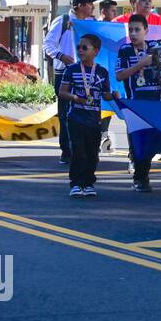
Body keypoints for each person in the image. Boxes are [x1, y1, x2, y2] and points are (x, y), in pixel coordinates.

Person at [115, 13, 161, 192]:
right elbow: (119, 75)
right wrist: (140, 64)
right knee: (138, 141)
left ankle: (142, 172)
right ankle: (140, 178)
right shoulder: (125, 50)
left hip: (155, 103)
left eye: (137, 30)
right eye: (130, 30)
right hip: (136, 104)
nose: (133, 34)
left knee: (150, 142)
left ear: (146, 31)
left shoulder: (157, 48)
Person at [58, 33, 119, 198]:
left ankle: (89, 183)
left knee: (92, 153)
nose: (80, 50)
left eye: (85, 47)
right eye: (79, 47)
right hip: (76, 118)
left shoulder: (101, 72)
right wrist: (75, 98)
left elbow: (105, 94)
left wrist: (113, 95)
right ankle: (76, 183)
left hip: (94, 120)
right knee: (78, 151)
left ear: (96, 51)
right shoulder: (72, 70)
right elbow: (62, 92)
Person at [43, 0, 98, 164]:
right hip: (65, 72)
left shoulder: (91, 23)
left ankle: (86, 149)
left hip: (88, 72)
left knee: (88, 110)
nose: (92, 7)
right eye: (89, 3)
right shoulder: (63, 21)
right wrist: (61, 56)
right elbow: (48, 44)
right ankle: (67, 151)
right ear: (80, 6)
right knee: (66, 113)